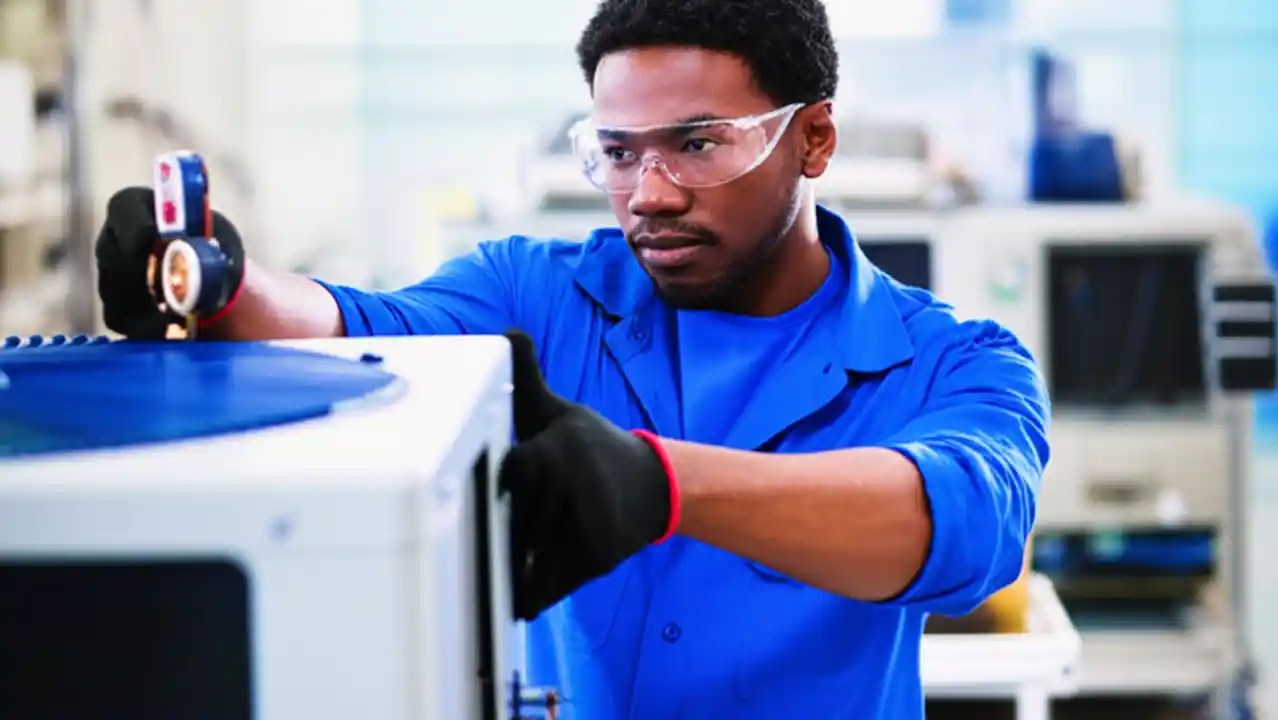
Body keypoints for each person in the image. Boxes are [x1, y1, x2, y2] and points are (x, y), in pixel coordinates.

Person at [94, 0, 1050, 717]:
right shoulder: (535, 297)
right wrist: (217, 286)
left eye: (697, 145)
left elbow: (958, 526)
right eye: (620, 152)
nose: (651, 194)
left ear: (813, 138)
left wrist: (665, 486)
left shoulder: (957, 364)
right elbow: (358, 329)